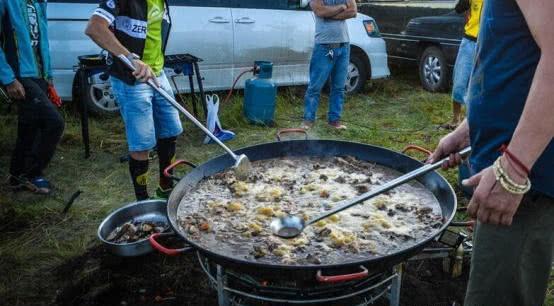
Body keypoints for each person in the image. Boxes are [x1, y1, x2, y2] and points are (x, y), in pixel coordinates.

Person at [428, 0, 554, 305]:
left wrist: (514, 168)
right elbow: (516, 60)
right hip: (511, 168)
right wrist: (469, 129)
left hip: (527, 182)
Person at [85, 0, 183, 201]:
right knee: (142, 143)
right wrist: (131, 58)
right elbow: (94, 27)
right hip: (131, 78)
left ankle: (165, 190)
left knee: (170, 131)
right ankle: (143, 203)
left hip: (157, 73)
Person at [1, 0, 65, 195]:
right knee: (54, 123)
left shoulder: (38, 2)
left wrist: (49, 77)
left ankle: (17, 176)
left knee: (30, 127)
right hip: (18, 73)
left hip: (38, 73)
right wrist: (8, 78)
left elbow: (42, 42)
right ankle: (31, 174)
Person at [301, 0, 357, 130]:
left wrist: (330, 14)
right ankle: (308, 121)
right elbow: (320, 11)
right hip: (324, 46)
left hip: (344, 46)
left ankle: (334, 121)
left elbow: (353, 11)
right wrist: (342, 7)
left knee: (339, 87)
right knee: (315, 86)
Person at [446, 0, 483, 128]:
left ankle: (471, 124)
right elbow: (459, 9)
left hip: (488, 44)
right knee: (459, 82)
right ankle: (456, 120)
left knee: (479, 86)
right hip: (469, 41)